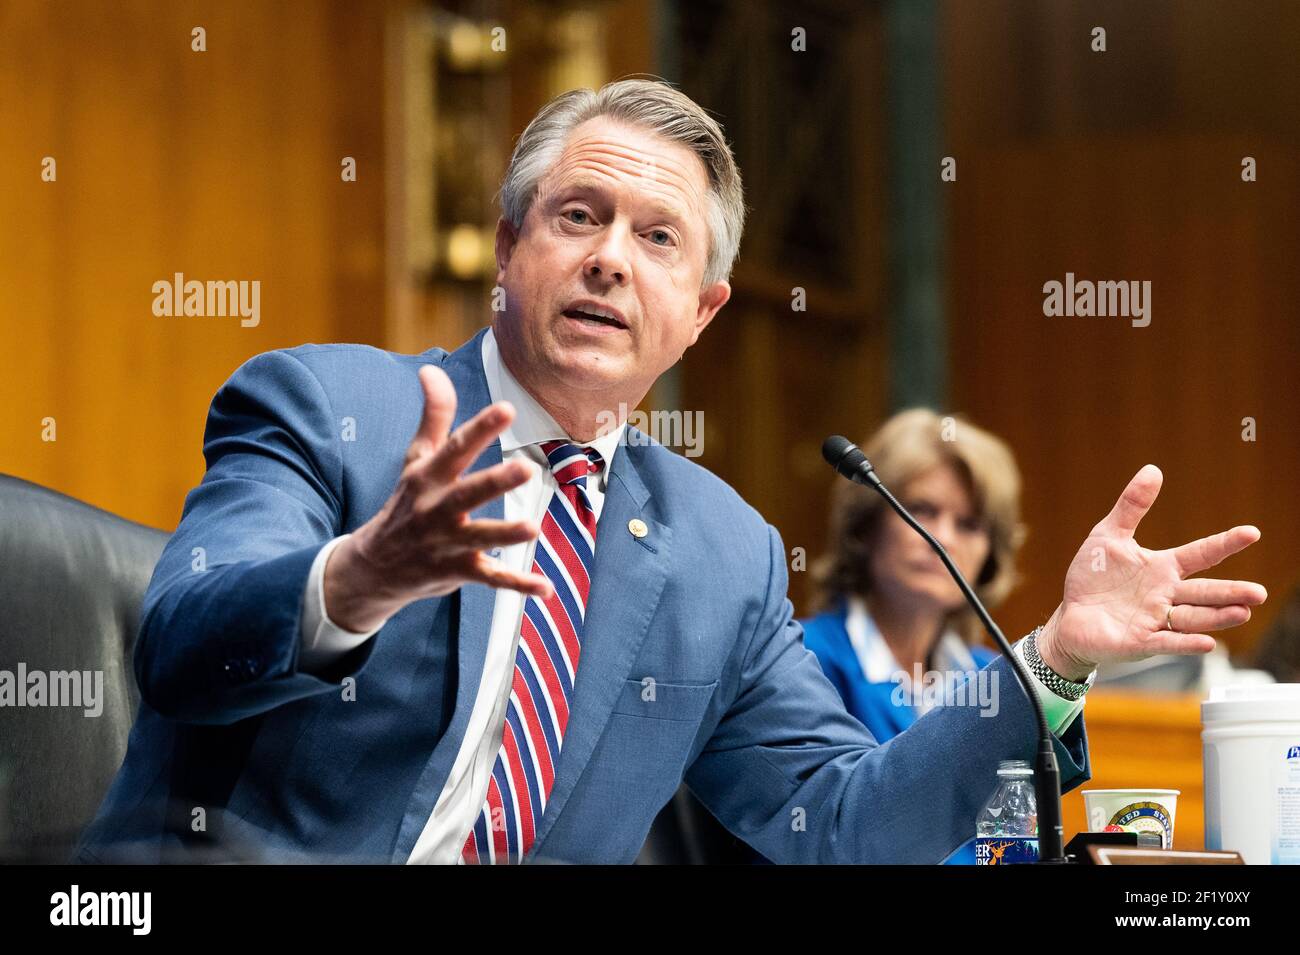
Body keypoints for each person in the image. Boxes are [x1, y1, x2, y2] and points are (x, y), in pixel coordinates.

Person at [77, 79, 1266, 865]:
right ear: (506, 252)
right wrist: (357, 579)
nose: (607, 260)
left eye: (655, 240)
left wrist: (1052, 656)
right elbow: (177, 648)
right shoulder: (326, 403)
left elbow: (837, 827)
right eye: (576, 217)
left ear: (699, 314)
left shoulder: (719, 552)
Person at [803, 409, 1029, 864]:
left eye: (969, 524)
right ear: (866, 527)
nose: (941, 538)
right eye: (922, 510)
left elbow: (1015, 848)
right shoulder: (803, 660)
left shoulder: (998, 677)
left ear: (989, 554)